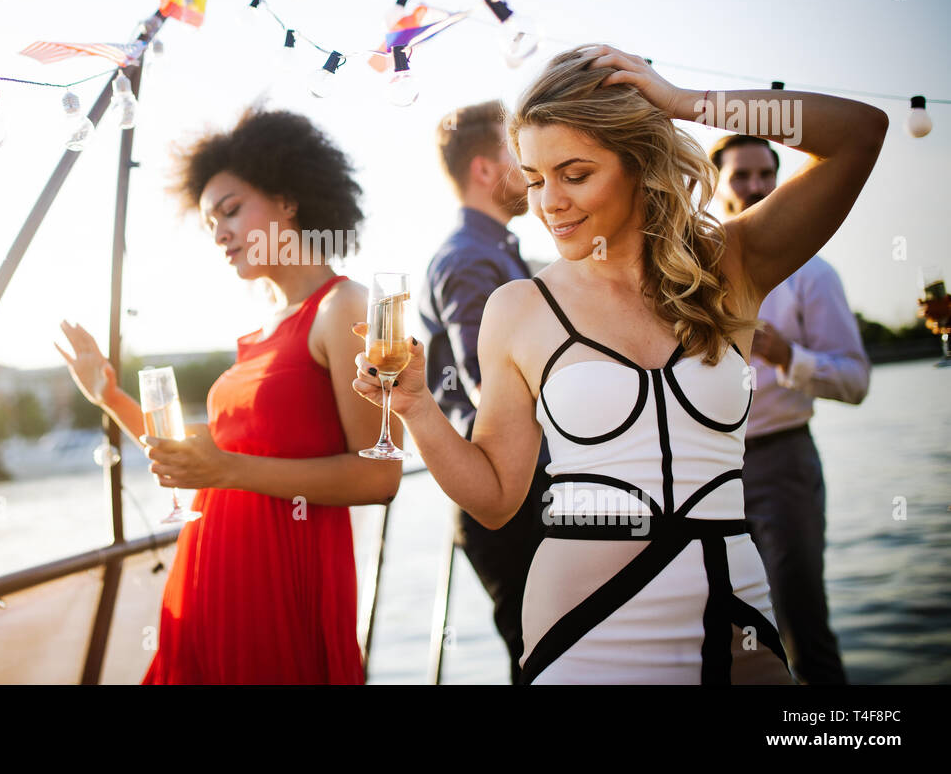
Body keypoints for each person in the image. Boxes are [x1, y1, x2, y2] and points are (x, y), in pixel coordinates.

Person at [352, 44, 887, 683]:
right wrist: (414, 405)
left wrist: (684, 103)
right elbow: (495, 499)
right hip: (585, 628)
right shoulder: (521, 308)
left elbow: (860, 133)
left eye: (575, 174)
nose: (549, 202)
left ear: (638, 163)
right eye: (534, 177)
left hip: (736, 613)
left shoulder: (732, 267)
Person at [56, 106, 401, 684]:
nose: (218, 232)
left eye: (231, 210)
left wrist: (229, 470)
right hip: (210, 579)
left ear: (288, 199)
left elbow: (380, 476)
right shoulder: (263, 332)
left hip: (280, 589)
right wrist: (109, 397)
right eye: (209, 222)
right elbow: (202, 464)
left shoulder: (346, 308)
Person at [710, 132, 869, 685]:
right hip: (702, 477)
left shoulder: (814, 275)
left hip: (782, 465)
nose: (755, 188)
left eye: (765, 175)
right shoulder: (690, 272)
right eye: (741, 176)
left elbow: (856, 380)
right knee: (722, 638)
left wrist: (789, 356)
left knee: (802, 626)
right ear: (716, 184)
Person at [419, 99, 551, 681]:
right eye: (517, 156)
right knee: (545, 660)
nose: (530, 170)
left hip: (524, 491)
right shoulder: (469, 259)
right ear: (484, 170)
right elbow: (491, 385)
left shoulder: (495, 249)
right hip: (510, 498)